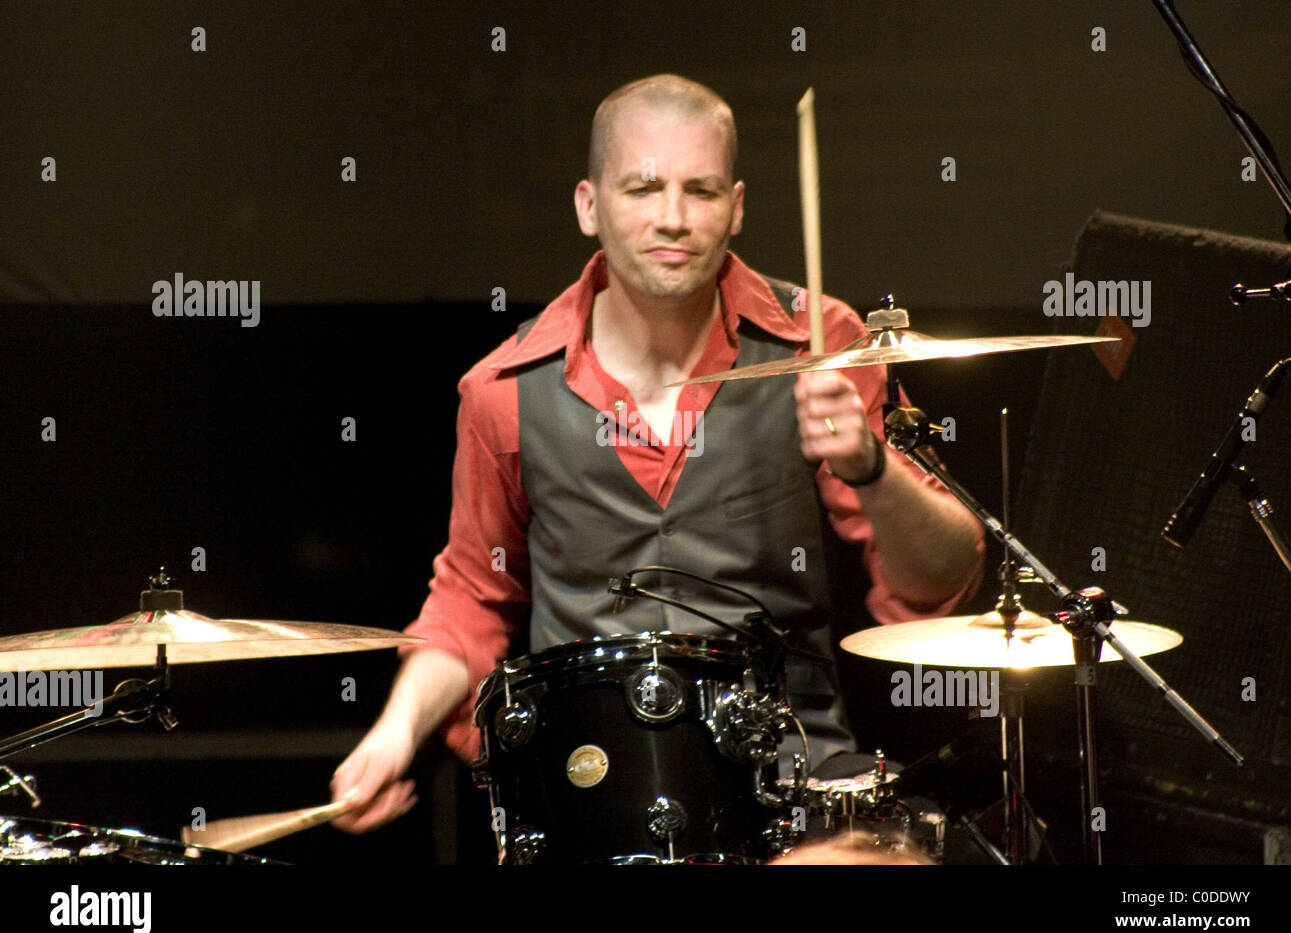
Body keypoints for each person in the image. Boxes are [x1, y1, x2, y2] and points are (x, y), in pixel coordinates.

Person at [330, 74, 984, 836]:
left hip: (792, 789)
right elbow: (471, 601)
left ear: (737, 207)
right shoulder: (502, 389)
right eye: (643, 189)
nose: (673, 218)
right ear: (589, 206)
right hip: (590, 797)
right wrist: (392, 735)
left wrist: (871, 468)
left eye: (699, 191)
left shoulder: (823, 344)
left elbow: (943, 576)